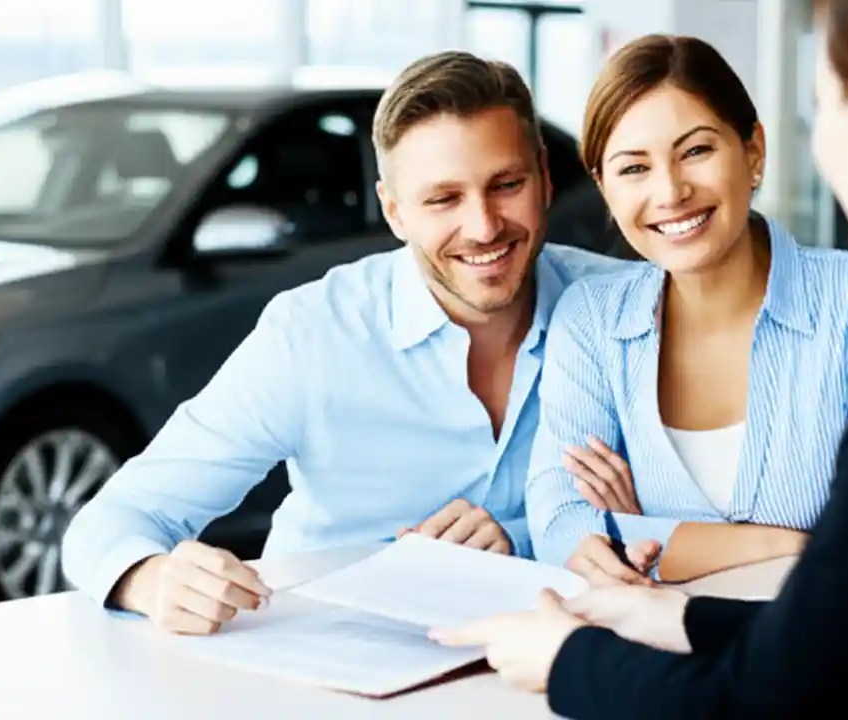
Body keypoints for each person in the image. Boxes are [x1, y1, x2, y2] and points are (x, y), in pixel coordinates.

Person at [433, 1, 848, 716]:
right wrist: (691, 608)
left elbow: (788, 680)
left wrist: (571, 657)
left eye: (822, 105)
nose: (669, 190)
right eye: (633, 166)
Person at [60, 51, 632, 635]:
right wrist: (151, 579)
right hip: (329, 660)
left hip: (547, 666)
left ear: (543, 175)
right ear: (394, 211)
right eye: (443, 200)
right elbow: (110, 521)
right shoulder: (314, 334)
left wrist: (522, 535)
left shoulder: (623, 309)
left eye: (506, 184)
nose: (484, 226)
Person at [524, 34, 848, 585]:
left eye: (696, 151)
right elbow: (562, 526)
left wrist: (646, 530)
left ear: (753, 150)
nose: (671, 191)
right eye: (634, 168)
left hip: (829, 656)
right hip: (656, 656)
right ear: (603, 188)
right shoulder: (592, 321)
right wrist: (788, 544)